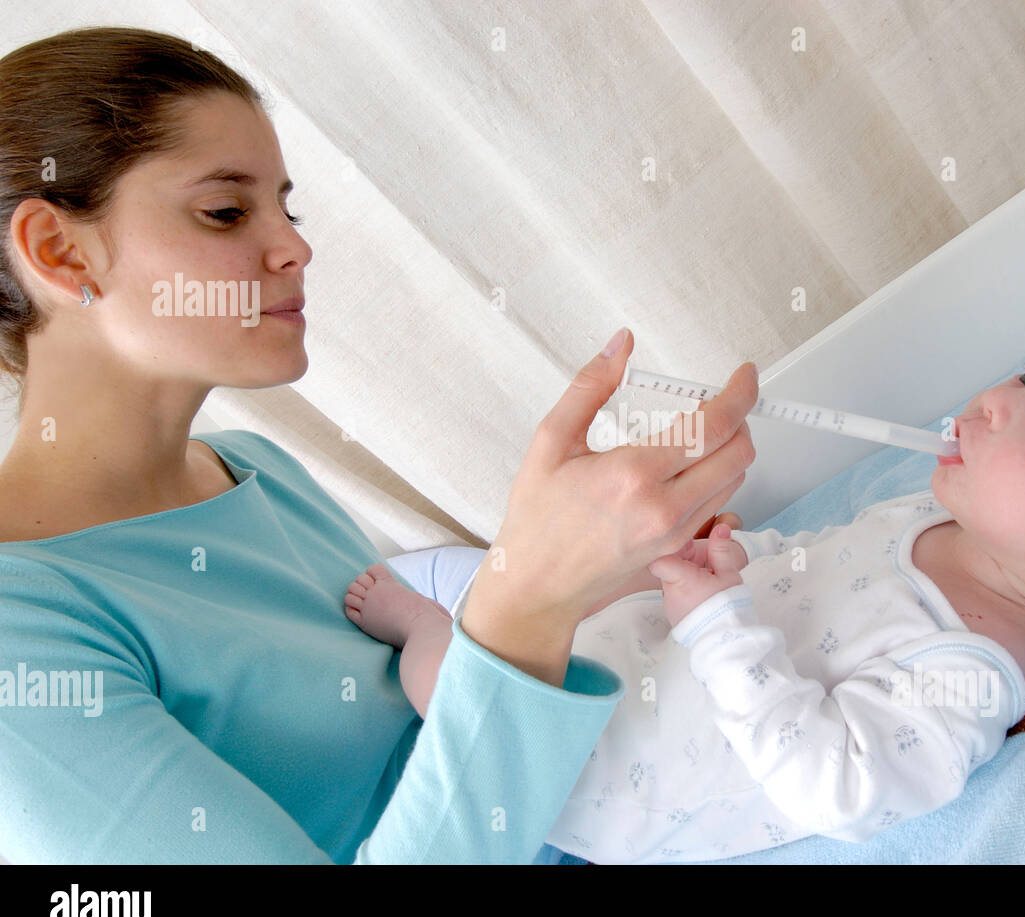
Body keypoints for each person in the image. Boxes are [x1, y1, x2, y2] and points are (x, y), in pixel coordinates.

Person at [0, 26, 757, 864]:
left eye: (286, 206)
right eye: (225, 210)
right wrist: (527, 603)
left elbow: (425, 719)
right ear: (60, 252)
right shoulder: (22, 634)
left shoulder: (258, 472)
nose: (295, 247)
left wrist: (588, 569)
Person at [347, 301, 1025, 863]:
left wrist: (719, 622)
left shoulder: (970, 678)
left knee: (455, 683)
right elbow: (814, 573)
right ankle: (494, 612)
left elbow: (833, 787)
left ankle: (425, 632)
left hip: (598, 779)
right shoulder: (935, 520)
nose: (992, 402)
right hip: (649, 649)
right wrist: (736, 561)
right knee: (587, 593)